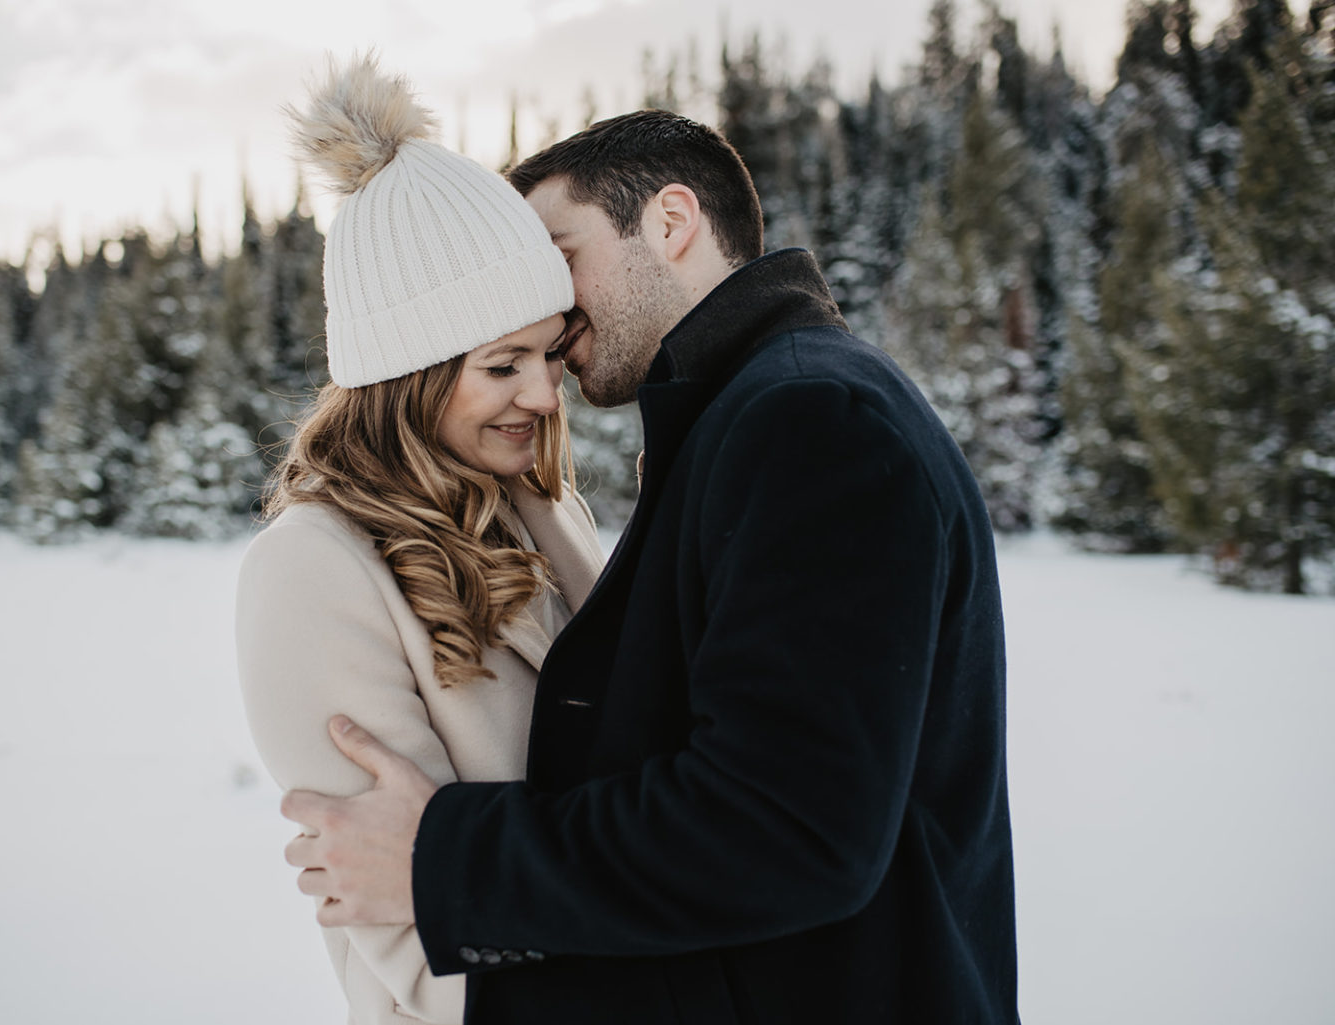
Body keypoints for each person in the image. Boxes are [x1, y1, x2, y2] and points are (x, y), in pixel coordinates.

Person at [282, 109, 1020, 1023]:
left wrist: (450, 864)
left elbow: (785, 827)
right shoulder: (753, 416)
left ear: (671, 222)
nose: (551, 299)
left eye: (560, 250)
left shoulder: (809, 419)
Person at [235, 55, 604, 1025]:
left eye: (549, 349)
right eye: (502, 362)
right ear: (410, 373)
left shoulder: (537, 503)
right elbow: (396, 912)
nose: (542, 391)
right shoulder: (313, 570)